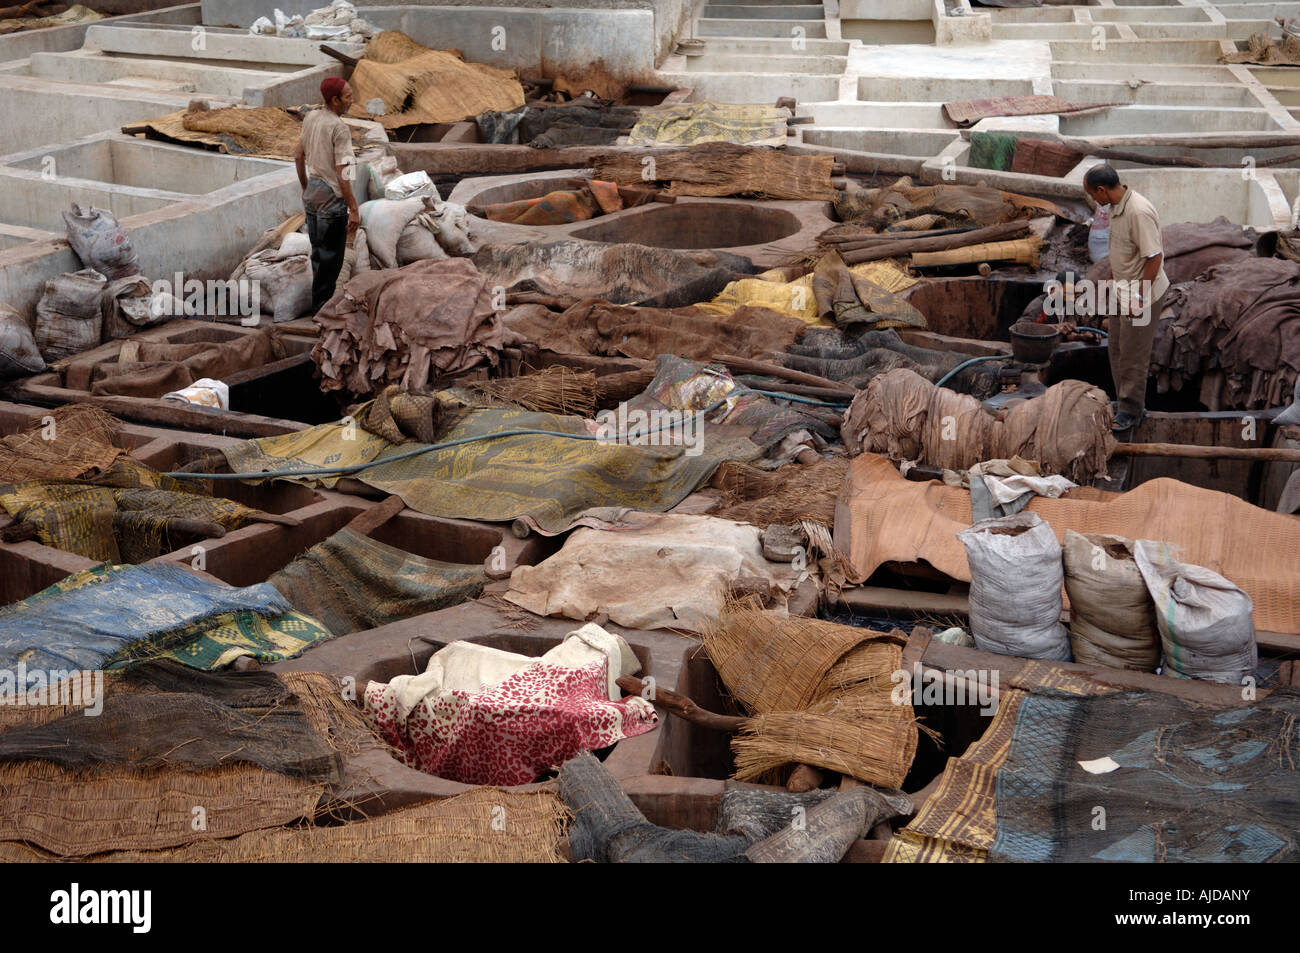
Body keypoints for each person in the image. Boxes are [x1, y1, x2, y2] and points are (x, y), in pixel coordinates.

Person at [1082, 163, 1169, 432]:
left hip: (1141, 294)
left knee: (1133, 355)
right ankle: (1124, 402)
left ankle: (1132, 412)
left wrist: (1139, 298)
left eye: (1093, 195)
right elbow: (1122, 251)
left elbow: (1154, 258)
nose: (1094, 201)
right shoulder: (1116, 209)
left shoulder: (1137, 211)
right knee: (1117, 348)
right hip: (1123, 290)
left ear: (1101, 190)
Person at [295, 76, 359, 314]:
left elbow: (298, 155)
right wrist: (353, 207)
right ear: (335, 100)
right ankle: (322, 314)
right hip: (331, 199)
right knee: (331, 262)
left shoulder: (311, 117)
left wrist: (305, 187)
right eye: (348, 96)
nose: (352, 101)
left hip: (313, 193)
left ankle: (319, 308)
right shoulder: (339, 128)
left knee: (319, 257)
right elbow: (343, 170)